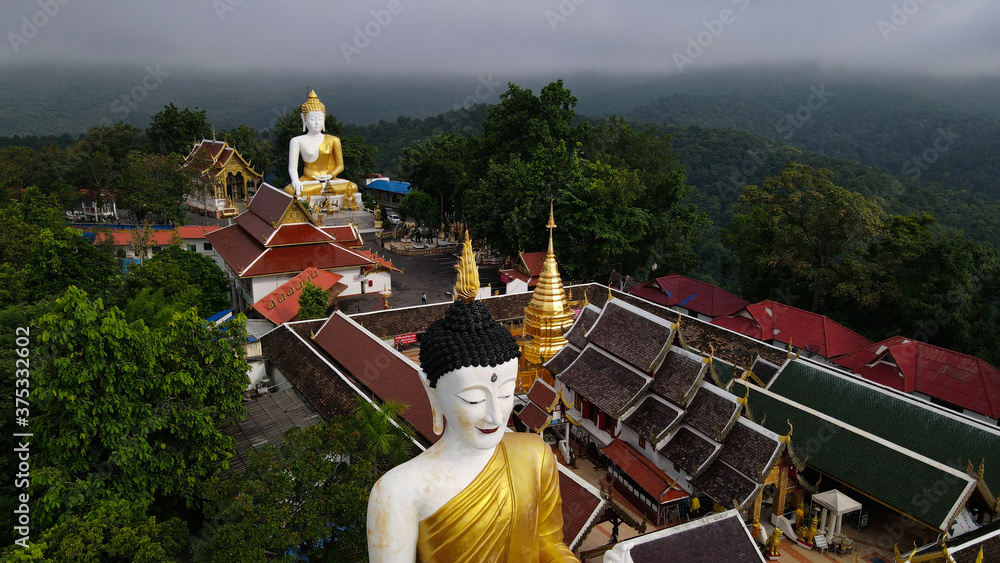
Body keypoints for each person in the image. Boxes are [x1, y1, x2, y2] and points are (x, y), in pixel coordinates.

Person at [367, 232, 578, 563]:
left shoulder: (535, 456)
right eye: (474, 400)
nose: (497, 416)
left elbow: (550, 546)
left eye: (507, 393)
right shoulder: (397, 493)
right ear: (430, 389)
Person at [284, 90, 359, 205]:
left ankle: (321, 187)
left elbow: (340, 166)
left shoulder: (333, 140)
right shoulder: (297, 141)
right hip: (308, 181)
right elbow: (292, 169)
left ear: (324, 119)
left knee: (352, 187)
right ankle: (314, 188)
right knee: (291, 191)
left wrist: (330, 175)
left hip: (329, 180)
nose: (317, 123)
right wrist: (295, 180)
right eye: (312, 119)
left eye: (320, 119)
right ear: (304, 119)